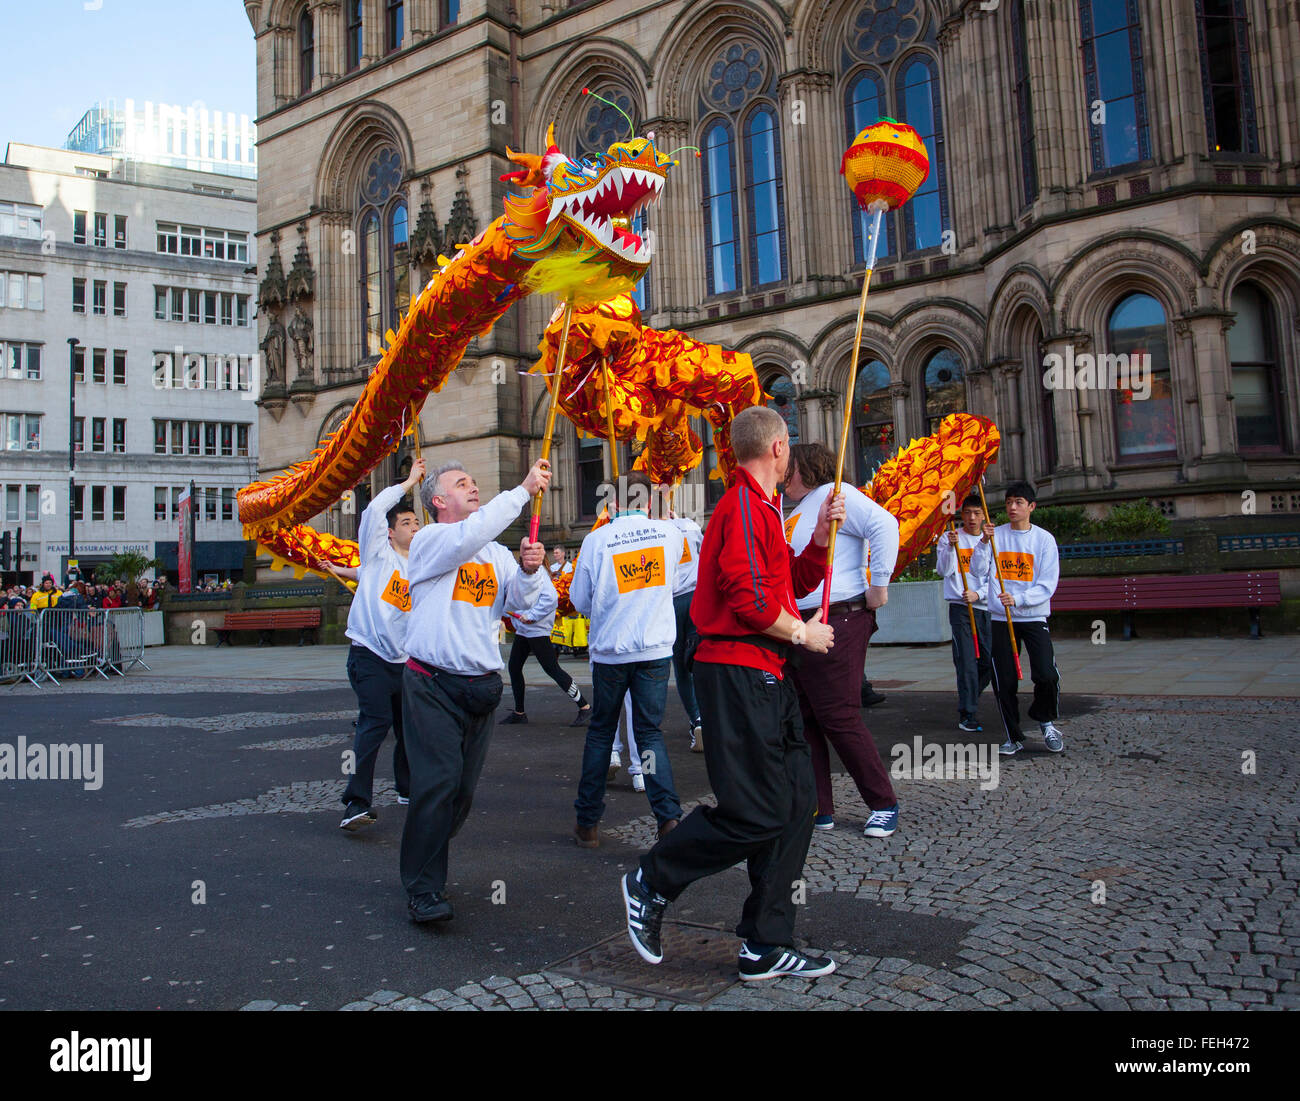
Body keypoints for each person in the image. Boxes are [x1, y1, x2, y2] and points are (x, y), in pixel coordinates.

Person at [622, 405, 845, 982]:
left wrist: (819, 539)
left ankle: (766, 943)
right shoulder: (742, 505)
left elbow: (789, 585)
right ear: (777, 449)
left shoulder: (765, 509)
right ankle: (652, 880)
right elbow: (747, 599)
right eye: (788, 444)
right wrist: (801, 632)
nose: (791, 452)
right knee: (757, 811)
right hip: (739, 672)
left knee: (798, 805)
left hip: (769, 673)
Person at [400, 457, 552, 924]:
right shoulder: (430, 541)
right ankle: (423, 889)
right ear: (438, 501)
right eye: (460, 483)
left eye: (473, 481)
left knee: (461, 795)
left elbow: (522, 608)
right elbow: (469, 535)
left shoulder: (494, 553)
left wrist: (528, 571)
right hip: (432, 684)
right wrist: (523, 489)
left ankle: (428, 853)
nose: (473, 487)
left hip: (481, 689)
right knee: (437, 785)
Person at [784, 442, 901, 838]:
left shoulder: (838, 493)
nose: (783, 473)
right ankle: (820, 806)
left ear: (806, 468)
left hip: (840, 615)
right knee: (806, 717)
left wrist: (879, 587)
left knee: (837, 714)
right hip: (803, 623)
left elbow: (885, 525)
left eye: (790, 465)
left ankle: (882, 802)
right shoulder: (795, 511)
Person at [569, 470, 683, 847]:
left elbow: (580, 600)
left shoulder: (596, 540)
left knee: (601, 732)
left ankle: (588, 821)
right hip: (653, 649)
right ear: (649, 502)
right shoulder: (670, 534)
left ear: (612, 503)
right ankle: (667, 816)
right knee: (649, 734)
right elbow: (678, 582)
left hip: (611, 651)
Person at [334, 459, 425, 831]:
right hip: (368, 654)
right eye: (406, 522)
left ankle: (407, 789)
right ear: (389, 533)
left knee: (408, 727)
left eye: (417, 522)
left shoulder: (423, 565)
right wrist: (410, 482)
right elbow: (373, 509)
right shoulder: (378, 552)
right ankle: (355, 803)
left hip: (404, 661)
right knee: (376, 722)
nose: (414, 526)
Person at [987, 480, 1063, 756]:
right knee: (1004, 680)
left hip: (1032, 615)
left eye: (1018, 502)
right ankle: (1013, 735)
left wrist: (1019, 599)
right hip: (1001, 619)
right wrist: (984, 543)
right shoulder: (996, 536)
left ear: (1031, 506)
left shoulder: (1043, 540)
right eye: (1008, 502)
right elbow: (982, 571)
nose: (1012, 507)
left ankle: (1045, 719)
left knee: (1046, 674)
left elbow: (1047, 583)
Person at [500, 572, 592, 726]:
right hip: (524, 630)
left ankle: (585, 706)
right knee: (514, 667)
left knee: (553, 669)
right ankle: (519, 713)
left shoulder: (540, 575)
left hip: (537, 631)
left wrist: (531, 616)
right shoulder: (521, 574)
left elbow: (551, 599)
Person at [936, 493, 994, 733]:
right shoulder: (950, 537)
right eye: (968, 512)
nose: (972, 518)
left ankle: (970, 694)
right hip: (960, 609)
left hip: (985, 607)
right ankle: (967, 711)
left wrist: (979, 594)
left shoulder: (992, 539)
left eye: (977, 513)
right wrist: (950, 548)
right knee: (966, 661)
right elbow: (944, 571)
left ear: (983, 515)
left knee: (989, 663)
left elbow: (995, 576)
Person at [663, 490, 705, 752]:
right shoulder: (689, 526)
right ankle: (711, 716)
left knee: (680, 666)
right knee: (701, 660)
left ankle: (697, 720)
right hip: (697, 598)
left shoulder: (654, 534)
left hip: (672, 602)